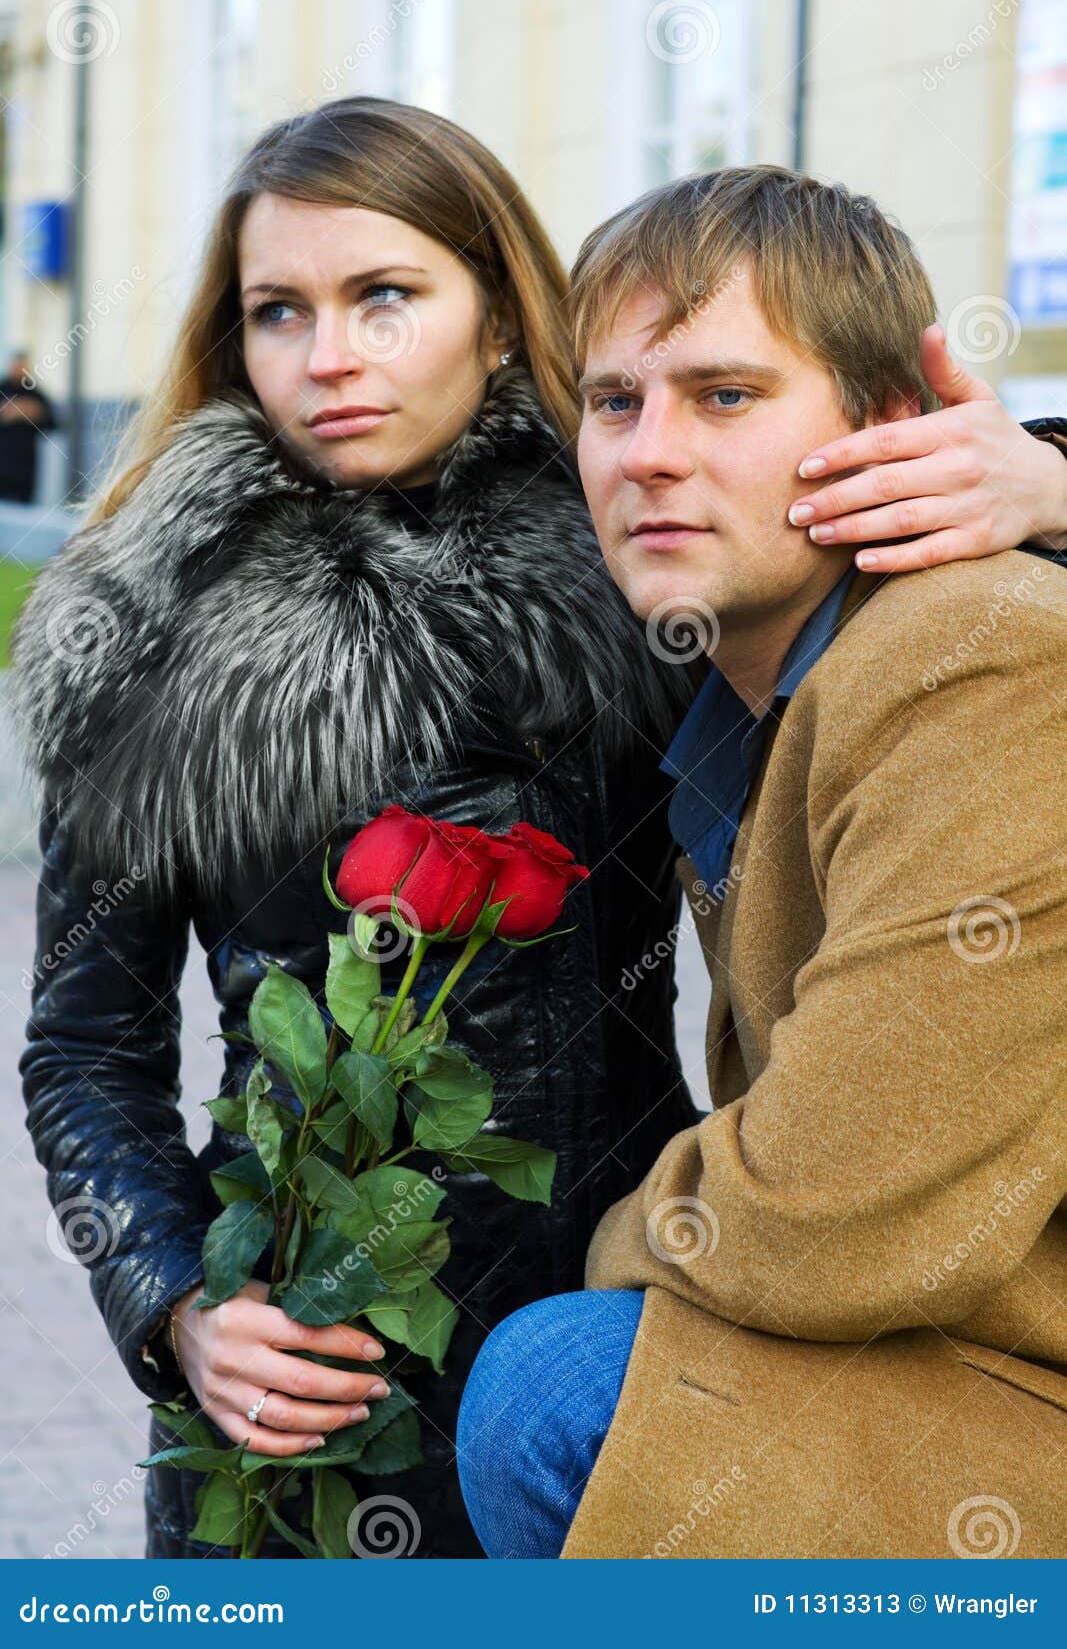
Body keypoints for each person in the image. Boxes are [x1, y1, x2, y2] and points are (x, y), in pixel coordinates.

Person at [10, 102, 1067, 1561]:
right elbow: (84, 1042)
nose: (327, 357)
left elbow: (877, 549)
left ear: (499, 320)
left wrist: (1048, 483)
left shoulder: (653, 572)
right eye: (277, 310)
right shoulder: (140, 639)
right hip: (308, 1347)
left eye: (383, 296)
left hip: (633, 1321)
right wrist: (181, 1303)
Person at [456, 165, 1067, 1561]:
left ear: (893, 429)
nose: (647, 452)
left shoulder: (967, 657)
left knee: (561, 1383)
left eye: (723, 396)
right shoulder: (757, 686)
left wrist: (613, 1239)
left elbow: (838, 1213)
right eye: (613, 402)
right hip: (978, 1335)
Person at [0, 351, 56, 503]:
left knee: (24, 508)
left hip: (26, 464)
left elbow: (53, 424)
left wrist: (36, 413)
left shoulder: (35, 393)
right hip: (3, 461)